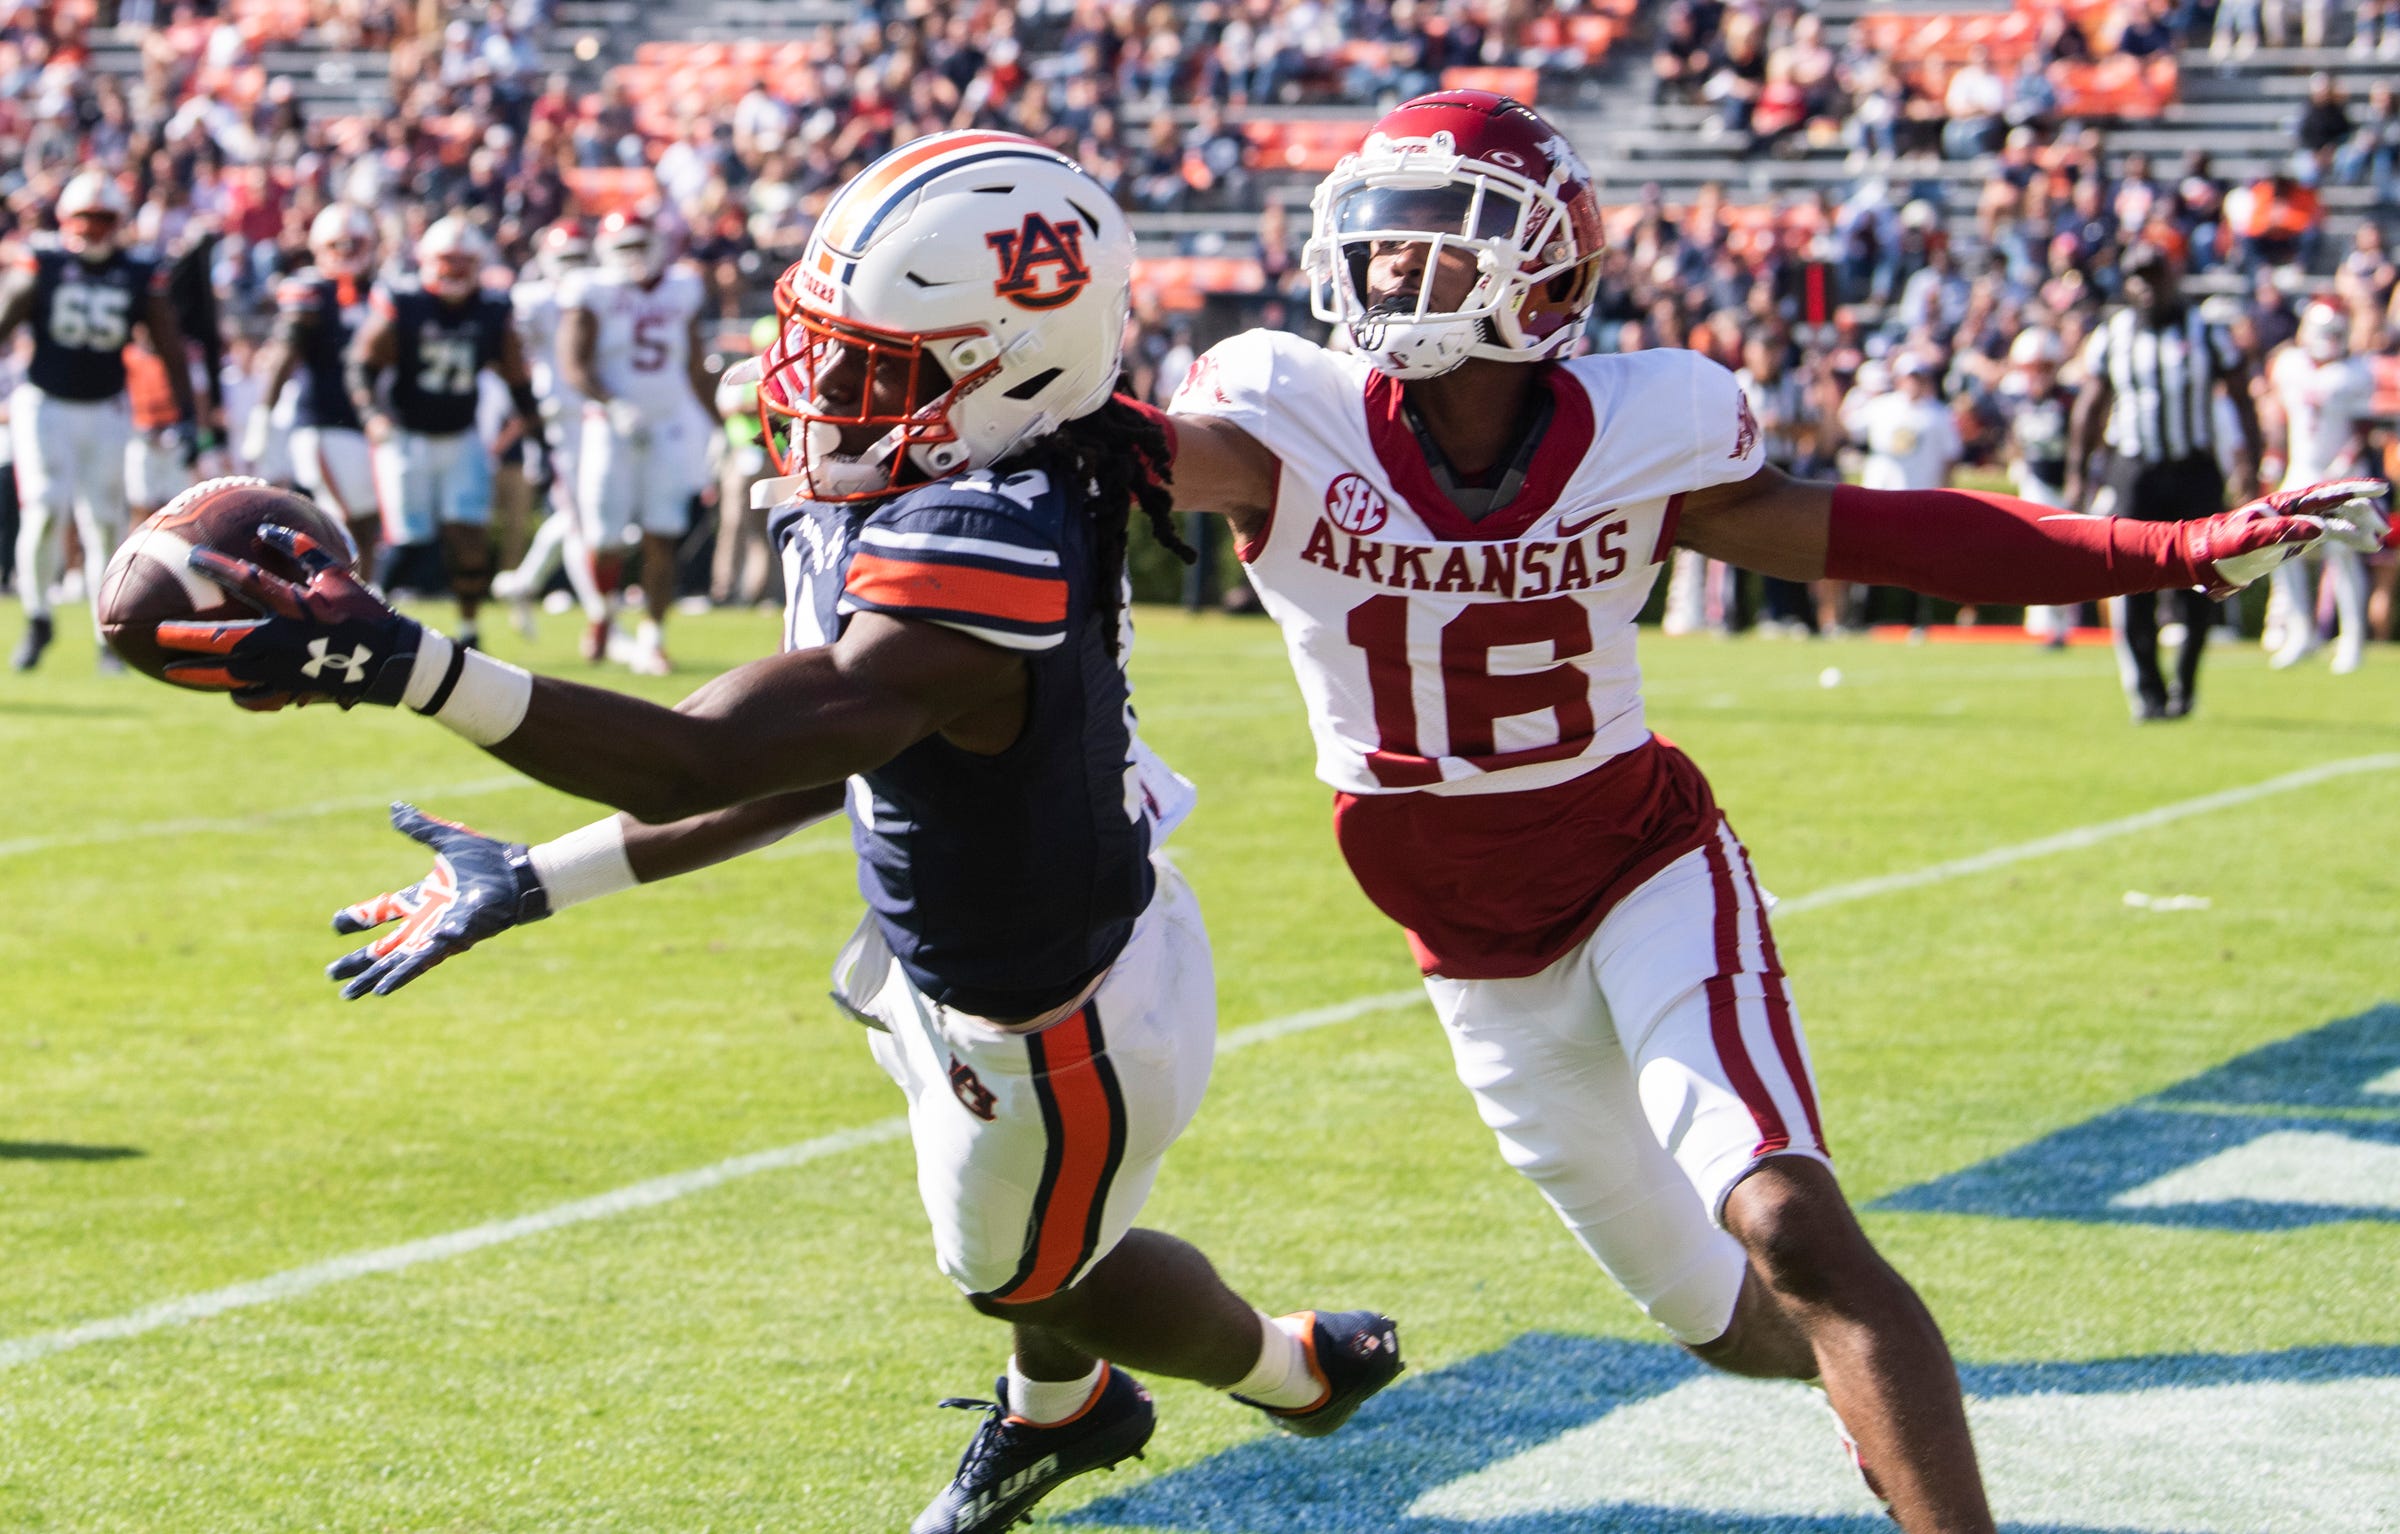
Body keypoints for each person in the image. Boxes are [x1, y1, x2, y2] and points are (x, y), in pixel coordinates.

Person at [1148, 90, 2383, 1534]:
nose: (1393, 266)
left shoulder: (1646, 422)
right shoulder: (1278, 409)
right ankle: (1885, 1398)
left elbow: (1884, 530)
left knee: (1791, 1221)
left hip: (1639, 868)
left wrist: (2168, 549)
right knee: (1733, 1326)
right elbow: (1117, 454)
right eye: (1385, 235)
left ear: (1544, 269)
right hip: (1468, 947)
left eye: (1444, 237)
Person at [147, 133, 1402, 1534]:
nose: (814, 389)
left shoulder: (990, 527)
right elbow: (832, 757)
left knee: (1030, 1276)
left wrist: (404, 662)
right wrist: (542, 874)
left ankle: (1287, 1373)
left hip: (1060, 1019)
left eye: (877, 365)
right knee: (1026, 1228)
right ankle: (1059, 1406)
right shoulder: (965, 464)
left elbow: (714, 756)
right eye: (829, 343)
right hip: (973, 942)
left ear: (1011, 372)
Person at [2, 170, 199, 672]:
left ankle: (105, 635)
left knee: (106, 523)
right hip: (45, 403)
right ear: (66, 219)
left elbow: (170, 345)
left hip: (108, 406)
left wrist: (189, 413)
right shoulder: (43, 261)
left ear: (118, 222)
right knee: (46, 508)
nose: (91, 229)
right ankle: (39, 617)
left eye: (102, 218)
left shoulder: (137, 270)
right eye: (84, 218)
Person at [2065, 240, 2265, 720]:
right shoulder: (2112, 335)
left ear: (2172, 277)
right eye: (2136, 277)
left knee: (2200, 577)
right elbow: (2090, 407)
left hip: (2194, 467)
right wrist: (2078, 474)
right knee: (2132, 582)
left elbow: (2242, 399)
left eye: (2154, 275)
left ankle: (2186, 684)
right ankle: (2149, 693)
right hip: (2135, 470)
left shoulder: (2206, 333)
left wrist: (2249, 468)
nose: (2146, 286)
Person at [349, 215, 548, 652]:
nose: (455, 270)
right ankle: (371, 627)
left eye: (463, 261)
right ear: (426, 260)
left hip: (461, 437)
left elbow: (518, 381)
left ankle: (471, 630)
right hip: (406, 435)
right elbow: (362, 365)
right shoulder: (405, 301)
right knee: (406, 539)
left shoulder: (492, 310)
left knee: (470, 539)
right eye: (447, 260)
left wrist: (541, 441)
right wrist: (369, 415)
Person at [558, 210, 719, 675]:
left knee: (661, 533)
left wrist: (717, 425)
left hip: (667, 423)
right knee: (606, 538)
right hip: (608, 425)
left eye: (638, 246)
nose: (632, 257)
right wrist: (612, 404)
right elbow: (575, 364)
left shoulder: (682, 288)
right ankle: (604, 616)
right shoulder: (591, 290)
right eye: (622, 248)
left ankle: (653, 637)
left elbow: (693, 363)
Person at [491, 221, 611, 641]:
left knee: (581, 514)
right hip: (554, 418)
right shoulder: (533, 300)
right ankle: (602, 619)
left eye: (580, 259)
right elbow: (511, 357)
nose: (574, 269)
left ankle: (523, 581)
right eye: (566, 260)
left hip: (594, 415)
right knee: (580, 517)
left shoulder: (602, 291)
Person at [252, 203, 382, 571]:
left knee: (364, 520)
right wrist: (264, 411)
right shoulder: (311, 291)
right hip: (323, 422)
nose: (345, 255)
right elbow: (285, 353)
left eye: (353, 245)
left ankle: (360, 600)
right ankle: (346, 598)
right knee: (345, 518)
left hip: (368, 422)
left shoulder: (384, 292)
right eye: (337, 246)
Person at [2263, 301, 2378, 672]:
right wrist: (2274, 454)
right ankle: (2300, 631)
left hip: (2340, 476)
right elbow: (2278, 416)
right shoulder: (2290, 364)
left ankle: (2353, 637)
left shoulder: (2356, 371)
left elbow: (2364, 427)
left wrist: (2347, 460)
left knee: (2341, 555)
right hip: (2300, 473)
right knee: (2282, 550)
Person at [1852, 351, 1964, 634]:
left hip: (1918, 497)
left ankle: (1915, 620)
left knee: (1915, 563)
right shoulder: (1881, 406)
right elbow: (1849, 426)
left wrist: (1945, 494)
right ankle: (1867, 618)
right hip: (1880, 495)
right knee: (1873, 559)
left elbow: (1951, 456)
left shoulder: (1937, 413)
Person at [1999, 328, 2080, 645]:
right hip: (2036, 480)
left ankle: (2064, 625)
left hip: (2067, 482)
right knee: (2040, 554)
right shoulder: (2018, 403)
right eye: (2031, 369)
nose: (2036, 376)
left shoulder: (2067, 401)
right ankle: (2045, 625)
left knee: (2071, 555)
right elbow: (2014, 440)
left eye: (2043, 368)